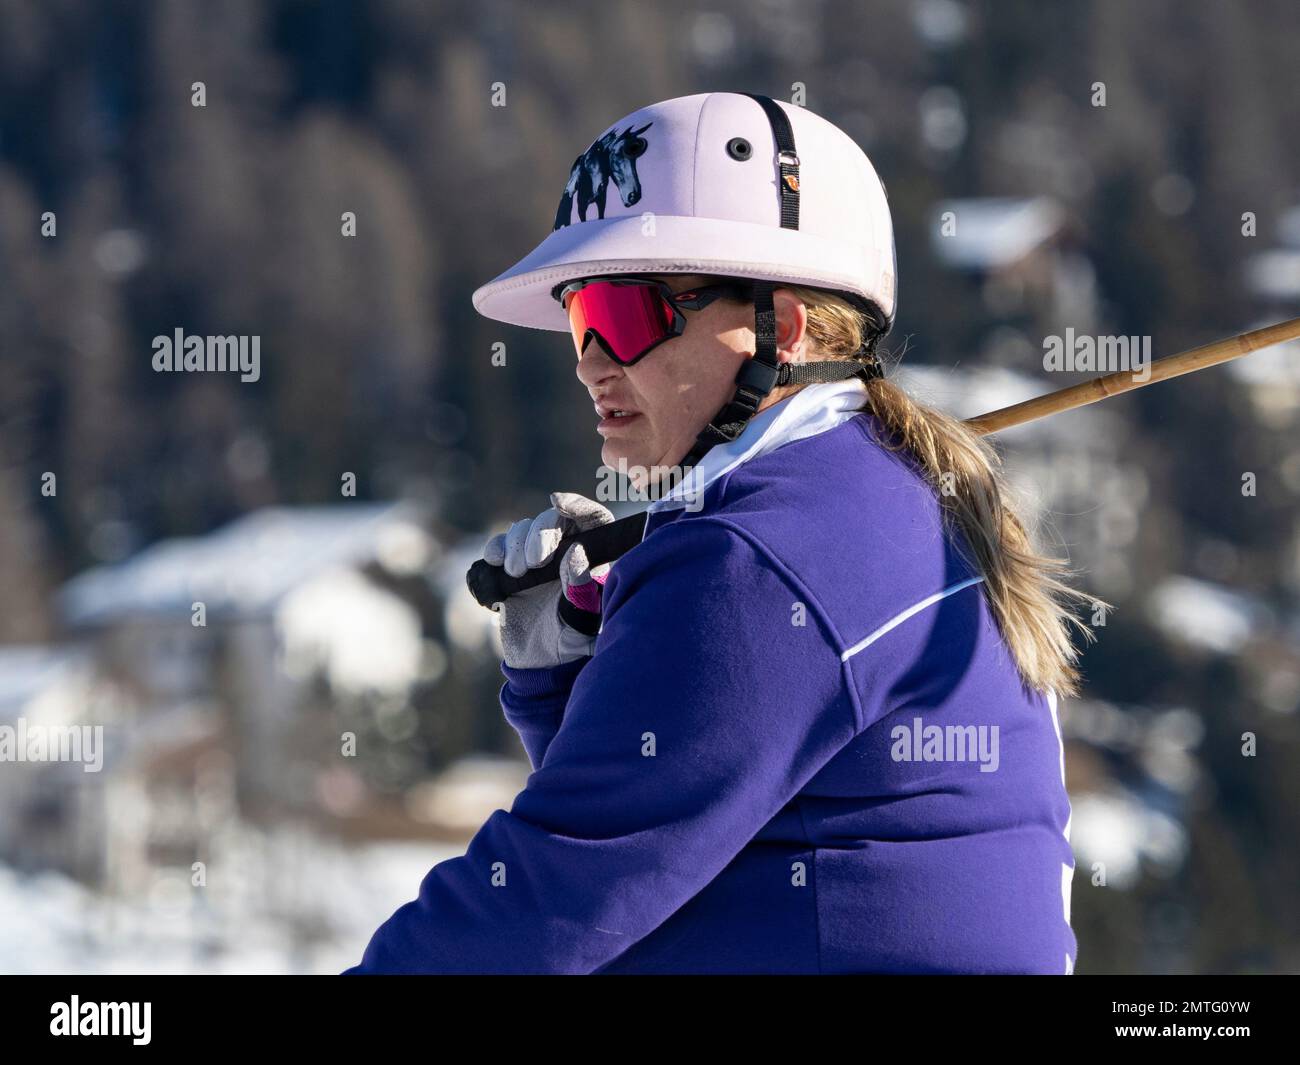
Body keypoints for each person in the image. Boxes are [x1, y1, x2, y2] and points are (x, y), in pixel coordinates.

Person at [344, 92, 1100, 974]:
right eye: (581, 319)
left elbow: (548, 898)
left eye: (626, 318)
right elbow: (694, 837)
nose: (591, 361)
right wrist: (570, 686)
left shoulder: (756, 560)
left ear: (784, 324)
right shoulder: (882, 496)